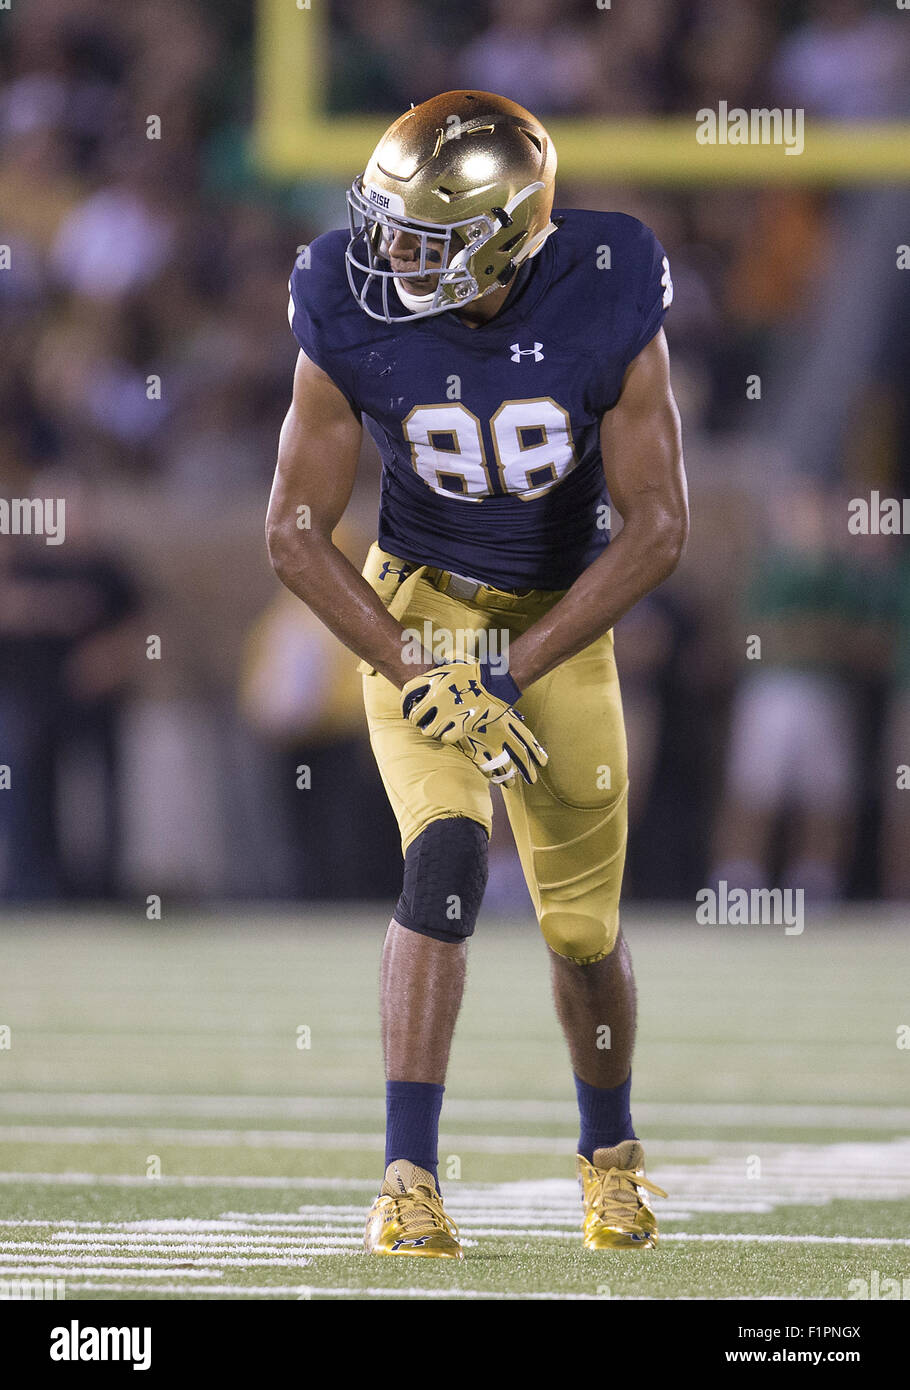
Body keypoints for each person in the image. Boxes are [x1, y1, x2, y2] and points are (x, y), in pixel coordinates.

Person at [267, 91, 687, 1257]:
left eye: (424, 235)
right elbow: (294, 530)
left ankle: (610, 1158)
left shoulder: (606, 282)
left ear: (505, 233)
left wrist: (516, 667)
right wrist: (416, 665)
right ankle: (407, 1176)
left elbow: (657, 528)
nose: (389, 253)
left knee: (581, 933)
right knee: (444, 860)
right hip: (420, 609)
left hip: (558, 622)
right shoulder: (343, 296)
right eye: (386, 223)